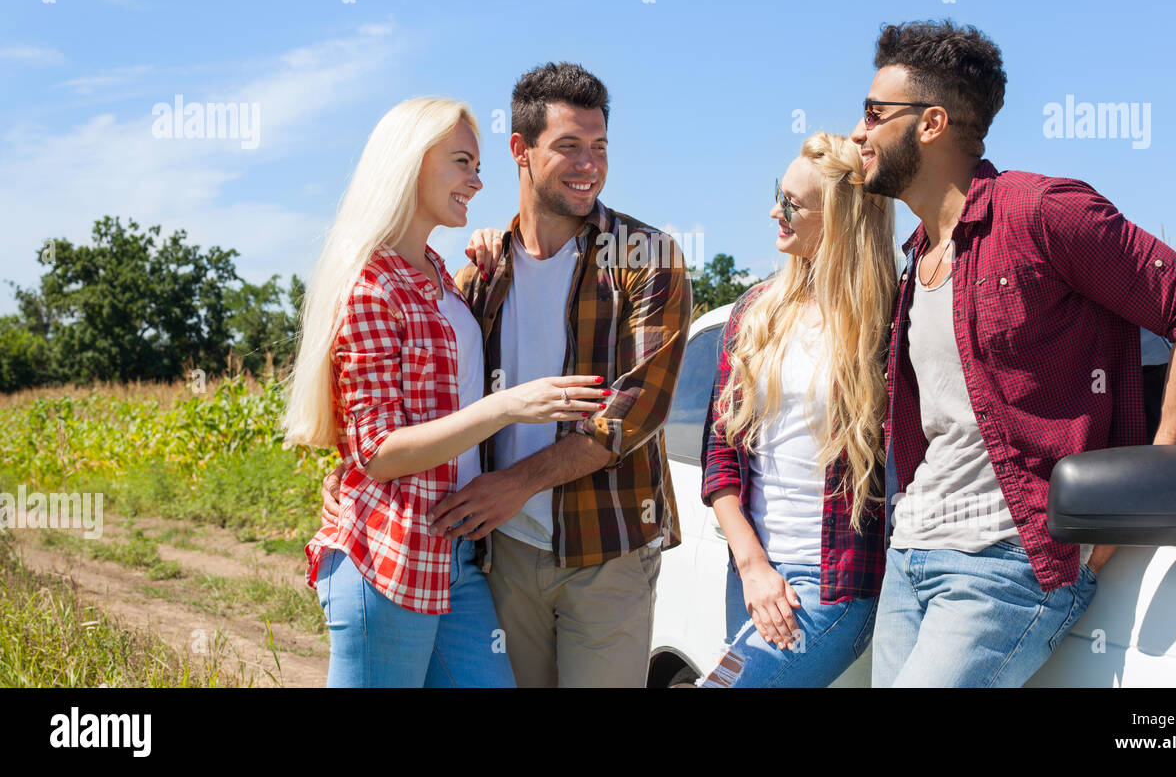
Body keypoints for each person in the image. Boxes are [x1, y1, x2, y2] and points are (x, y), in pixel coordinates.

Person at [852, 20, 1176, 687]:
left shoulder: (1043, 212)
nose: (857, 132)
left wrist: (1151, 490)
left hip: (1006, 563)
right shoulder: (917, 253)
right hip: (913, 554)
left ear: (932, 123)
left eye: (873, 113)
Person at [324, 63, 693, 687]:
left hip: (608, 549)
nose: (589, 165)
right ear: (520, 150)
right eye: (568, 147)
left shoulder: (646, 256)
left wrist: (514, 484)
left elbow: (636, 410)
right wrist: (351, 472)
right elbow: (400, 395)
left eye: (599, 147)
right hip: (502, 552)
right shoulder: (476, 273)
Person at [284, 97, 605, 688]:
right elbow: (377, 451)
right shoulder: (371, 287)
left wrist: (497, 248)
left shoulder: (438, 272)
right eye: (463, 163)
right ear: (412, 163)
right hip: (389, 557)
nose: (478, 181)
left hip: (455, 556)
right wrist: (506, 406)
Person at [696, 132, 896, 687]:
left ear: (839, 219)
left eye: (791, 204)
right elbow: (721, 456)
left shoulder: (890, 323)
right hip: (752, 573)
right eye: (776, 194)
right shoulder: (754, 312)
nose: (774, 212)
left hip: (833, 585)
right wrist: (753, 566)